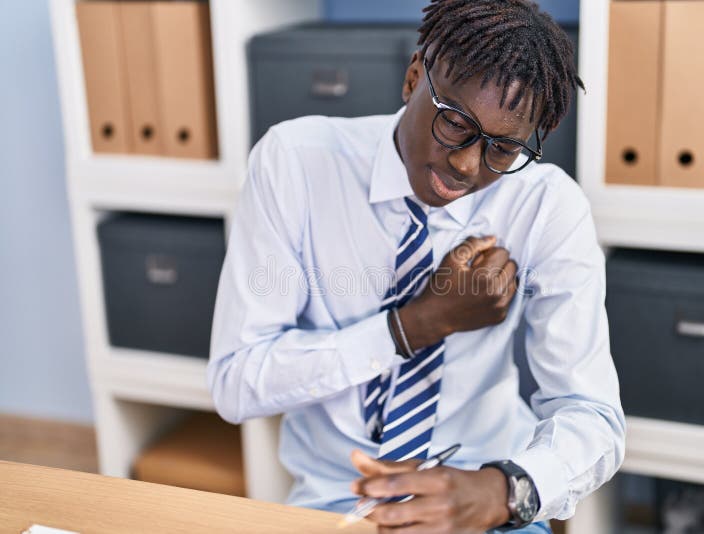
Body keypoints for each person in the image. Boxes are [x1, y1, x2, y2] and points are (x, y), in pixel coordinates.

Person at [208, 1, 625, 532]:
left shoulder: (545, 207)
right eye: (455, 123)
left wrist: (504, 490)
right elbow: (236, 382)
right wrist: (413, 325)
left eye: (502, 149)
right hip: (341, 501)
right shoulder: (295, 164)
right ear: (412, 79)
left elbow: (593, 415)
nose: (468, 164)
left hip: (485, 496)